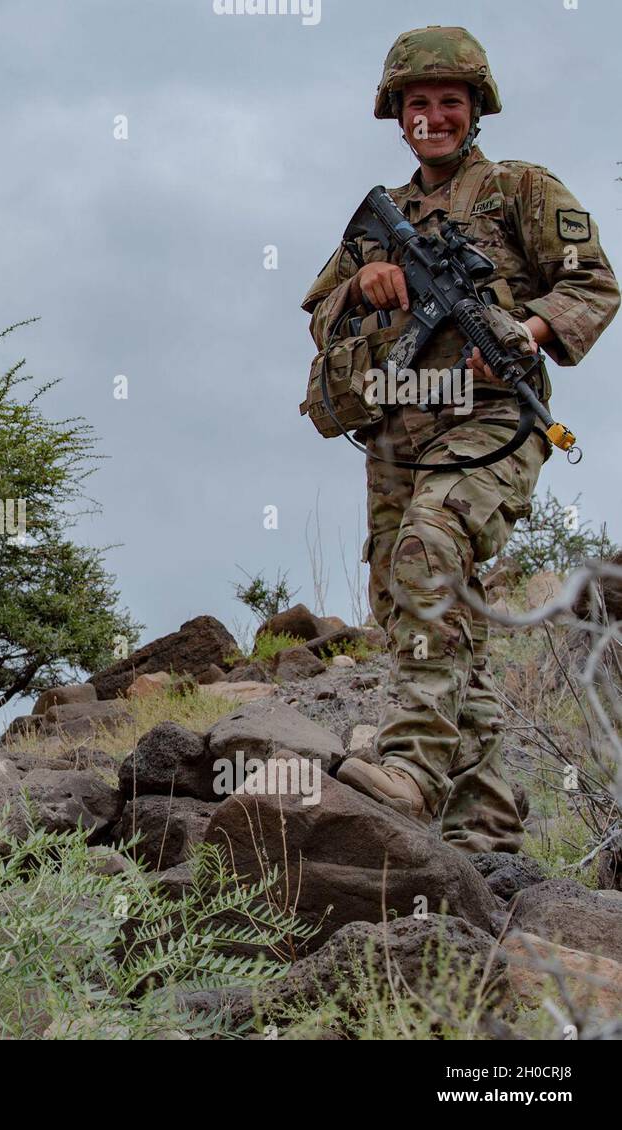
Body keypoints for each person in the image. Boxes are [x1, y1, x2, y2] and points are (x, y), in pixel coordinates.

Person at [301, 27, 619, 852]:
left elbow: (594, 280)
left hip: (491, 420)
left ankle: (407, 765)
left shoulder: (521, 188)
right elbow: (319, 316)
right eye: (418, 104)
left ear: (475, 109)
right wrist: (366, 289)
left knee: (429, 553)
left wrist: (529, 328)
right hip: (398, 432)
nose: (434, 118)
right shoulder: (382, 218)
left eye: (450, 102)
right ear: (396, 115)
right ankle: (482, 831)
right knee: (410, 606)